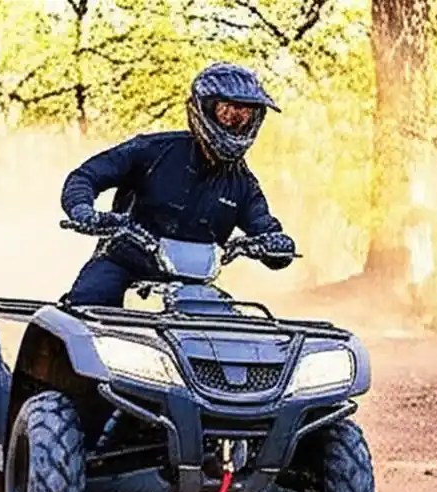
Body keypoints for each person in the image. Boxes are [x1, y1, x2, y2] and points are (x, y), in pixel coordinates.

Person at [59, 61, 297, 307]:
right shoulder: (152, 150)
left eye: (244, 115)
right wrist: (83, 210)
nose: (236, 122)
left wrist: (277, 244)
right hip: (121, 265)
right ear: (203, 109)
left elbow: (265, 228)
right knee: (87, 305)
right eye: (228, 112)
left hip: (192, 286)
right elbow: (85, 176)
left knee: (230, 335)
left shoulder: (243, 185)